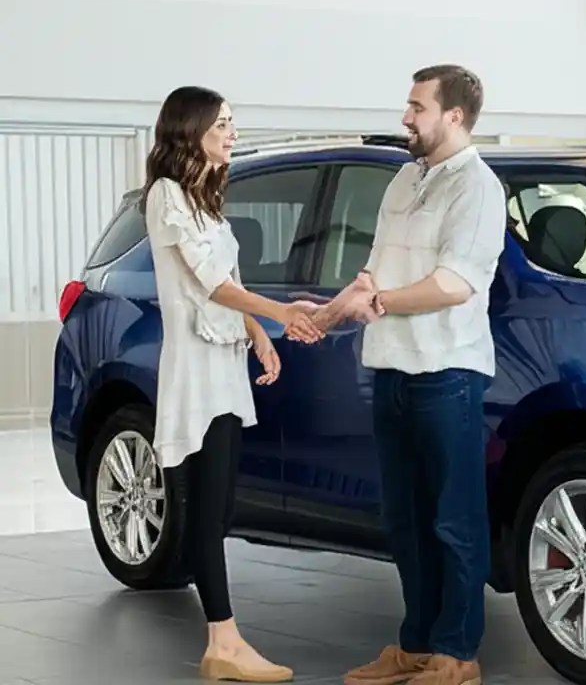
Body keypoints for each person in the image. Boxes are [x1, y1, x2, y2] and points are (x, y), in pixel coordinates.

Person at [141, 85, 324, 682]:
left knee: (219, 508)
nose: (232, 132)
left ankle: (223, 641)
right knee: (203, 508)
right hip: (195, 370)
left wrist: (259, 334)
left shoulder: (207, 199)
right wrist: (281, 312)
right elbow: (211, 283)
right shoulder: (168, 196)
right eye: (223, 123)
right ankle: (224, 641)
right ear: (191, 129)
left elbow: (228, 280)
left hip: (224, 364)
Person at [334, 64, 505, 685]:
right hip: (392, 370)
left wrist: (378, 303)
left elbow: (456, 283)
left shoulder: (478, 188)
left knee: (454, 520)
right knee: (404, 519)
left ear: (453, 116)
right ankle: (414, 646)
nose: (406, 116)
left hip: (447, 374)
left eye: (417, 106)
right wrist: (328, 313)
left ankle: (456, 655)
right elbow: (374, 275)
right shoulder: (405, 179)